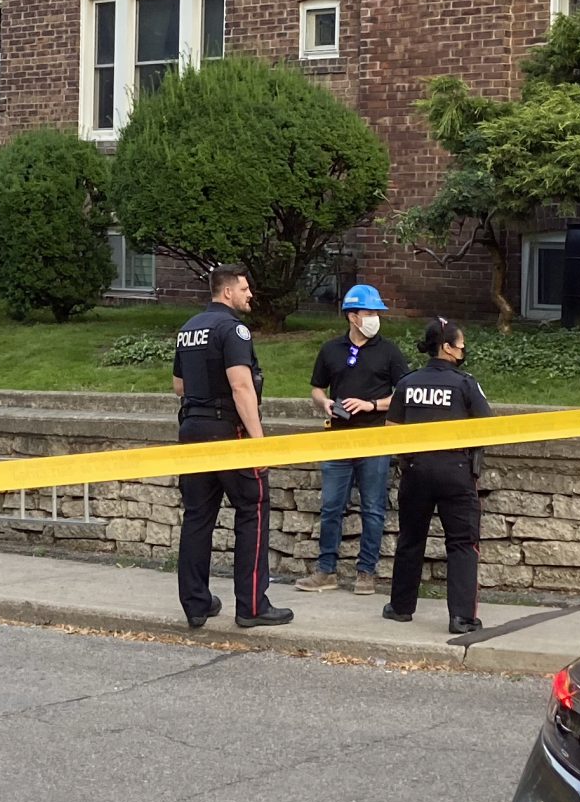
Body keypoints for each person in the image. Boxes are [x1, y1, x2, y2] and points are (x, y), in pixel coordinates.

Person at [171, 266, 293, 630]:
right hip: (228, 430)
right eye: (244, 288)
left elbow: (179, 386)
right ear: (227, 293)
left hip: (192, 429)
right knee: (252, 511)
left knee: (197, 517)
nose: (250, 294)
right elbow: (241, 387)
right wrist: (259, 442)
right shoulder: (233, 329)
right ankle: (252, 605)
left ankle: (196, 605)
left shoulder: (188, 329)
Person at [385, 316, 493, 635]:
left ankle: (401, 607)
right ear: (446, 348)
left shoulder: (407, 383)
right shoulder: (465, 384)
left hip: (416, 471)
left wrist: (409, 459)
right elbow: (487, 428)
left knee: (410, 539)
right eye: (461, 345)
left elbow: (391, 431)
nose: (464, 350)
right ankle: (461, 618)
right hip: (456, 472)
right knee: (462, 543)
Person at [299, 283, 406, 594]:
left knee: (373, 507)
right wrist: (326, 404)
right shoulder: (331, 350)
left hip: (375, 438)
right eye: (369, 313)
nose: (374, 318)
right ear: (352, 317)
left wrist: (372, 405)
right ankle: (326, 570)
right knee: (332, 506)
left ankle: (366, 572)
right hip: (338, 438)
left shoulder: (389, 352)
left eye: (376, 313)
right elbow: (317, 388)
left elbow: (404, 394)